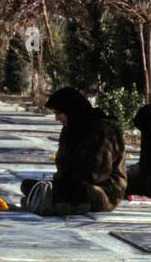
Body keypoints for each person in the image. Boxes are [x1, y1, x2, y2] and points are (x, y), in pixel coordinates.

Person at [20, 87, 127, 215]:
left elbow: (97, 172)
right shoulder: (71, 128)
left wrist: (66, 183)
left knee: (69, 191)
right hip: (75, 184)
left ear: (71, 110)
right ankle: (56, 200)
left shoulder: (104, 129)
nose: (56, 118)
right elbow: (63, 166)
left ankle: (59, 202)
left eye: (58, 113)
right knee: (28, 185)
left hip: (103, 190)